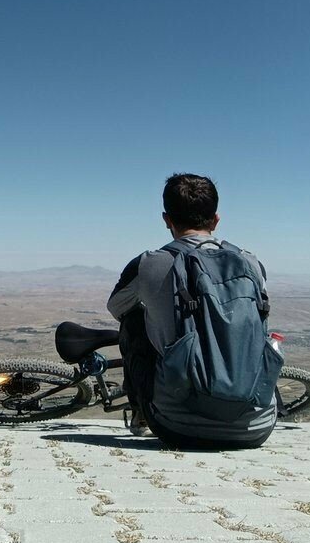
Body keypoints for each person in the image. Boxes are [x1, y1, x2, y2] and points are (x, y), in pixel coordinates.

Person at [107, 173, 277, 449]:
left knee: (133, 320)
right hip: (257, 428)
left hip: (177, 426)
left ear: (166, 219)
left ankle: (141, 414)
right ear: (216, 219)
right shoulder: (250, 263)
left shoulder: (150, 263)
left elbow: (116, 307)